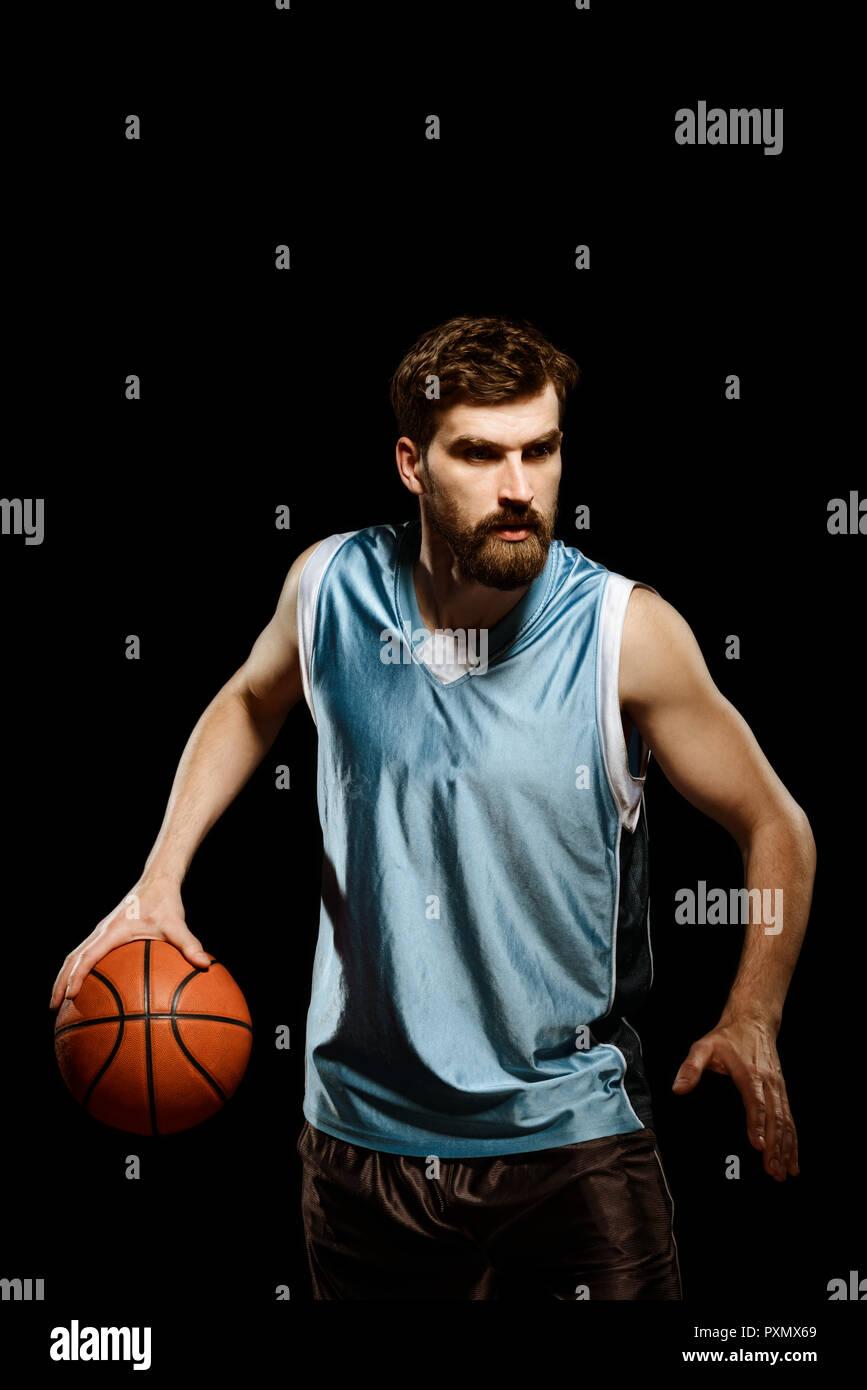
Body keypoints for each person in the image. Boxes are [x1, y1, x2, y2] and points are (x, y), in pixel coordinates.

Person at [50, 315, 816, 1301]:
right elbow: (249, 698)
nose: (518, 488)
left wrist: (752, 1012)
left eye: (541, 451)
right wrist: (160, 881)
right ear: (412, 464)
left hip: (572, 1142)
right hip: (360, 1145)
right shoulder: (329, 590)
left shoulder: (626, 634)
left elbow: (775, 823)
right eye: (481, 454)